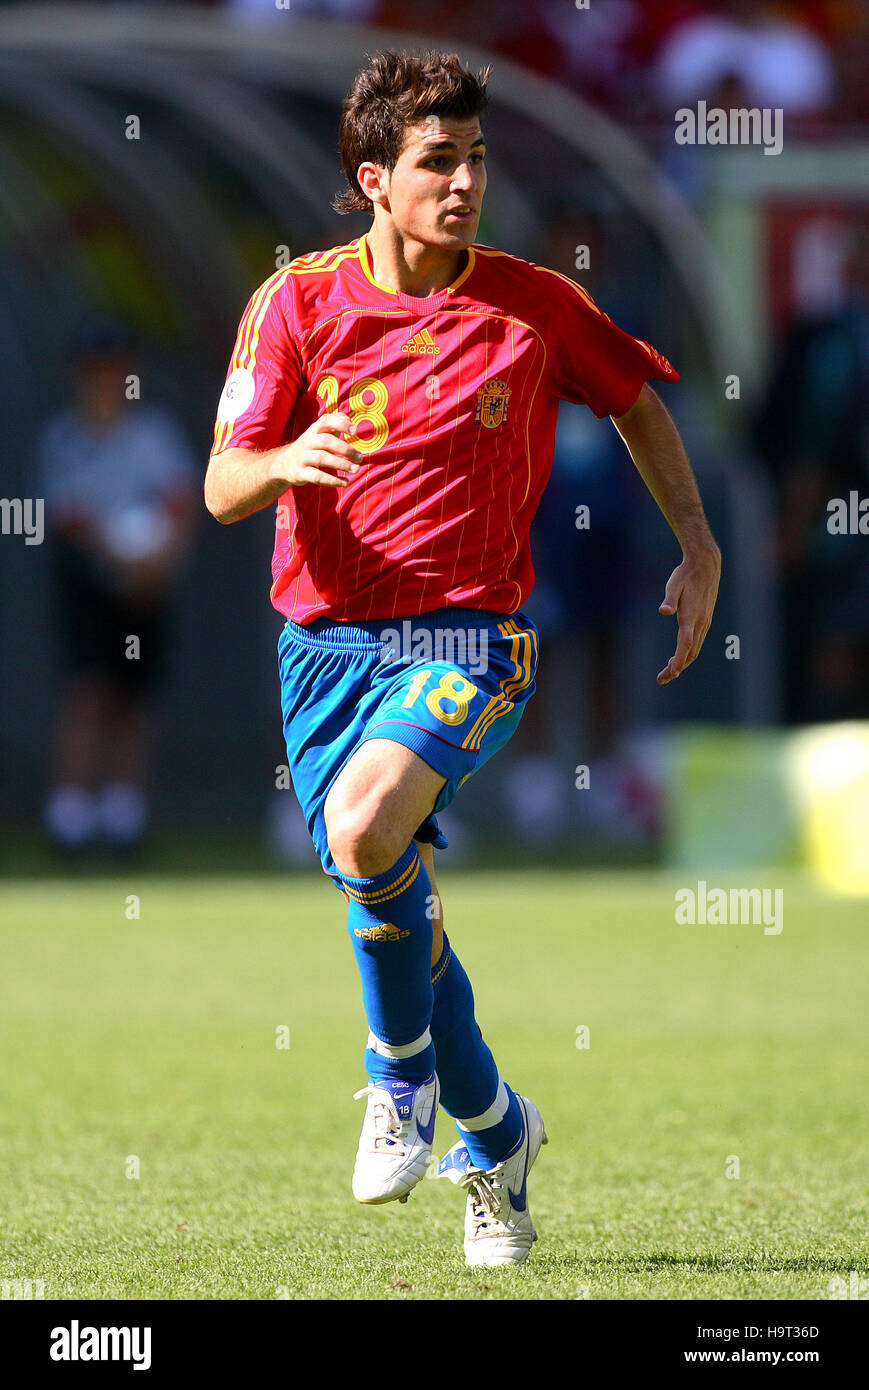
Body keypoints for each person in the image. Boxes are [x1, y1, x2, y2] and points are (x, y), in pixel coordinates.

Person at [204, 51, 721, 1266]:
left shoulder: (535, 304)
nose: (467, 180)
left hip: (467, 636)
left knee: (368, 827)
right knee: (388, 888)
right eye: (440, 161)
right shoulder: (292, 305)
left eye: (477, 157)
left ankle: (397, 1082)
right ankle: (495, 1137)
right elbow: (226, 481)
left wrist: (695, 543)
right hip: (322, 649)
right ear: (373, 180)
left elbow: (637, 402)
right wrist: (282, 462)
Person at [41, 322, 198, 853]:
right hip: (89, 586)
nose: (108, 380)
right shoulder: (64, 438)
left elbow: (181, 505)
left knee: (135, 699)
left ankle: (123, 817)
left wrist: (155, 567)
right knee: (88, 694)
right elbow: (67, 519)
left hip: (147, 589)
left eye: (117, 369)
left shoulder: (154, 435)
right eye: (97, 371)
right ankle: (71, 818)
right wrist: (116, 559)